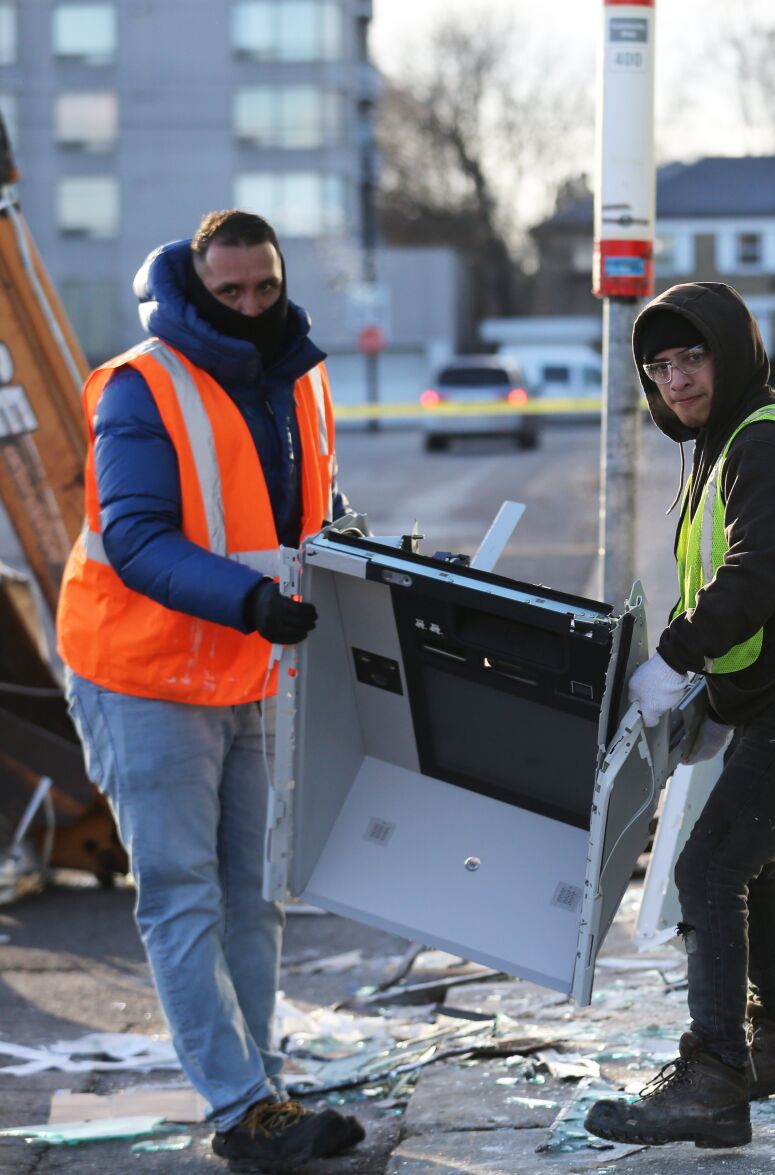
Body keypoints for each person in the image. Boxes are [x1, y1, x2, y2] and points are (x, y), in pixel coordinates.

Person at [55, 211, 362, 1172]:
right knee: (183, 894)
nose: (249, 307)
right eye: (230, 292)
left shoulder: (300, 375)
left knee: (254, 893)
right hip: (141, 670)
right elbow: (139, 538)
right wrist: (252, 600)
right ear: (193, 286)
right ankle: (239, 1109)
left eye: (264, 288)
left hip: (246, 666)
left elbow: (313, 509)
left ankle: (264, 1089)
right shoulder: (141, 387)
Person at [587, 282, 775, 1149]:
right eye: (660, 366)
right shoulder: (720, 446)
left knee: (707, 867)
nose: (676, 379)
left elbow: (759, 579)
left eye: (691, 357)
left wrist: (674, 661)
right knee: (739, 863)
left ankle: (714, 1076)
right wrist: (710, 693)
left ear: (733, 351)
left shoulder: (766, 443)